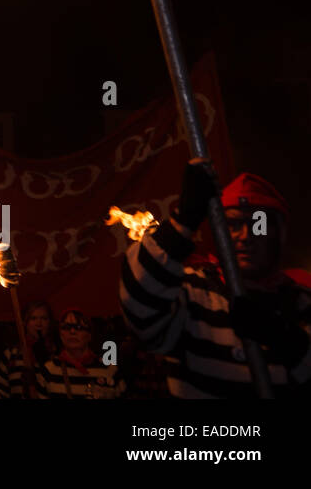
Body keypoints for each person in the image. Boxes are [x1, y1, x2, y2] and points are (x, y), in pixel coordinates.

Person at [121, 165, 310, 397]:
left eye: (258, 224)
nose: (245, 236)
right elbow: (140, 304)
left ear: (278, 233)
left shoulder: (302, 303)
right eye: (232, 225)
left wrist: (287, 340)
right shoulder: (194, 293)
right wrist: (184, 219)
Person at [34, 308, 124, 398]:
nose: (72, 332)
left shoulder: (109, 370)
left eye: (79, 327)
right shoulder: (49, 371)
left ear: (89, 335)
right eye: (66, 327)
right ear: (60, 334)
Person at [0, 300, 55, 398]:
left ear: (49, 323)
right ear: (24, 322)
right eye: (33, 318)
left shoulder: (57, 354)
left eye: (44, 318)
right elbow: (0, 391)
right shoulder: (11, 354)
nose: (39, 323)